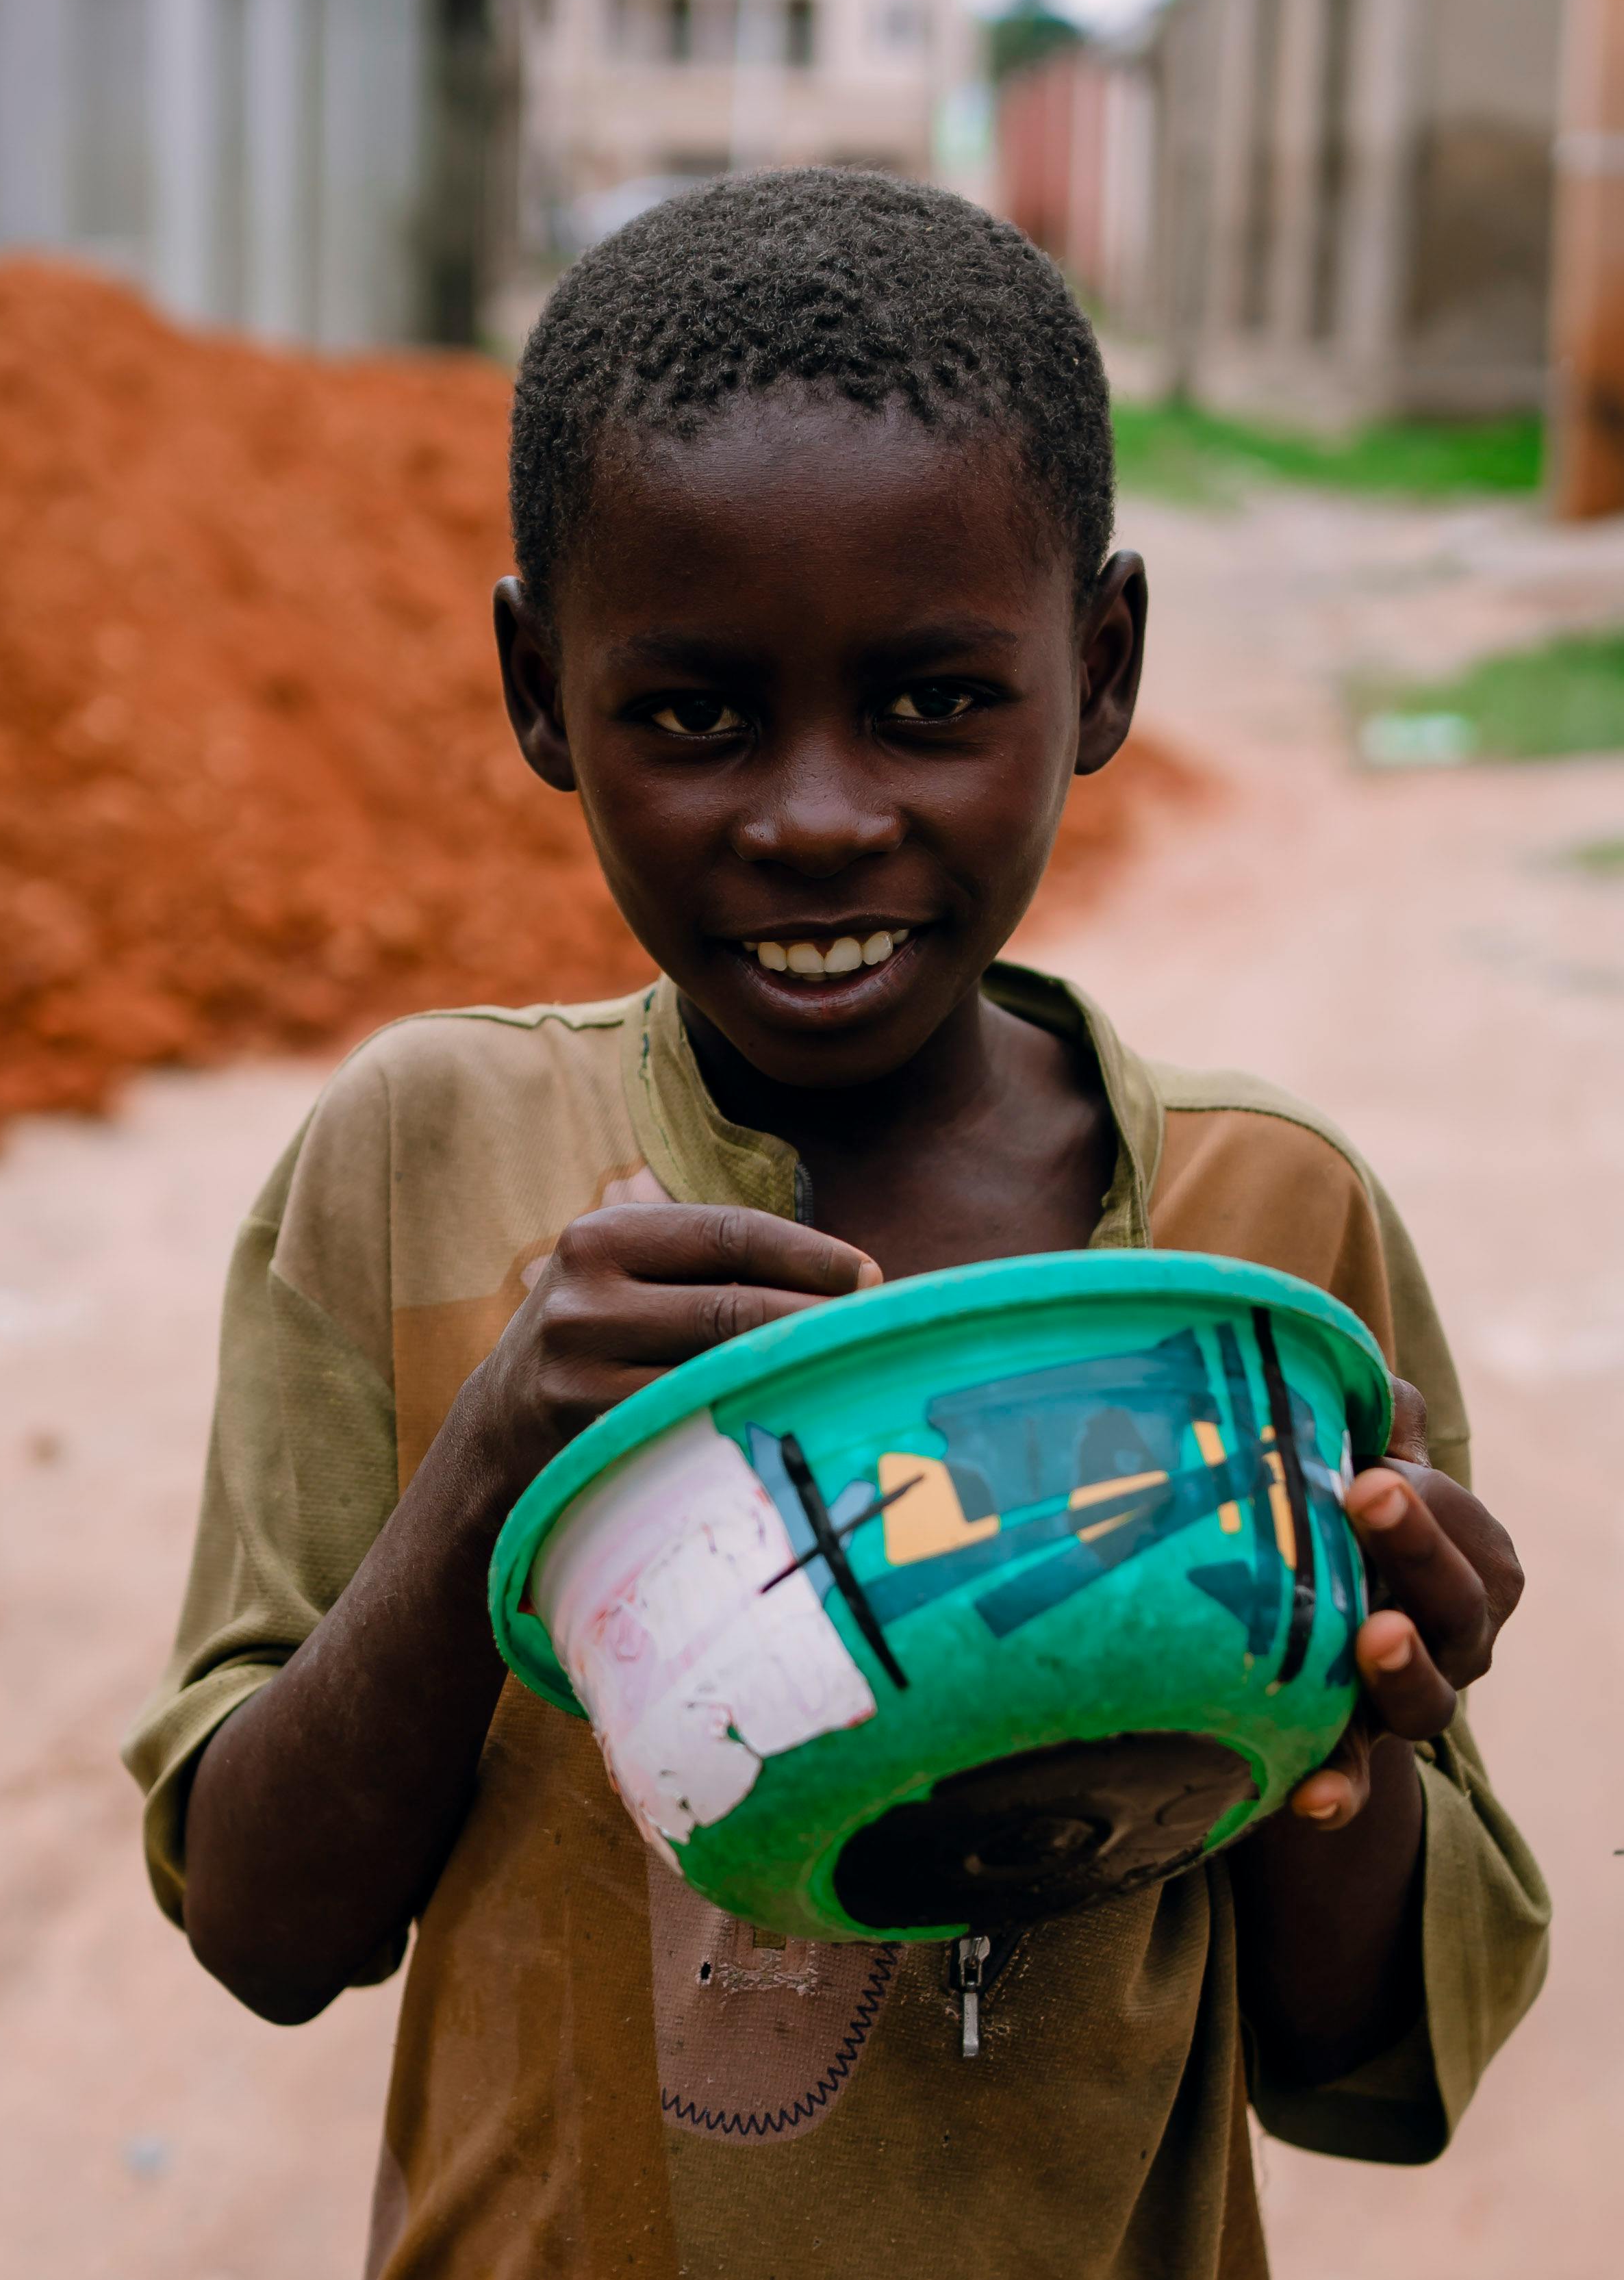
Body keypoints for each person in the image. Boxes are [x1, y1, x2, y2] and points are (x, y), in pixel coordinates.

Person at [125, 171, 1547, 2280]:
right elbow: (260, 1921)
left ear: (1106, 662)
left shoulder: (1258, 1240)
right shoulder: (426, 1154)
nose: (813, 815)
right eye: (692, 713)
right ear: (539, 690)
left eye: (933, 702)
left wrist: (1360, 1713)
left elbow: (1358, 2058)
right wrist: (495, 1472)